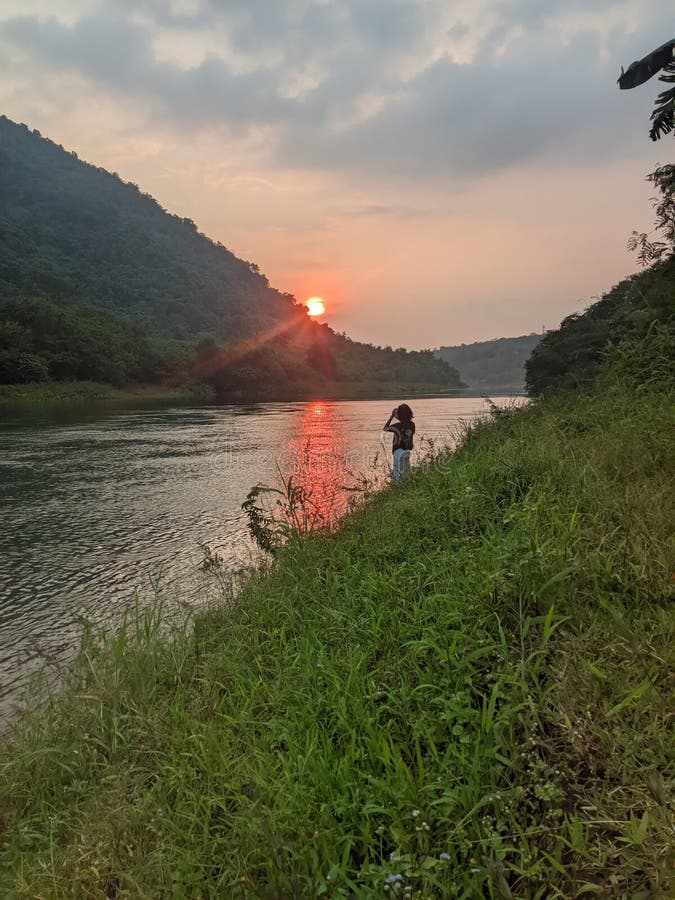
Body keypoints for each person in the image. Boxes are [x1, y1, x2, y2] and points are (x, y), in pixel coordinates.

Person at [383, 404, 415, 481]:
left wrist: (392, 417)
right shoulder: (412, 425)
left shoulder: (397, 426)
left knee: (397, 472)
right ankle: (407, 483)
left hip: (397, 451)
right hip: (407, 451)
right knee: (406, 472)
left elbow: (385, 428)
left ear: (399, 415)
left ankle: (397, 484)